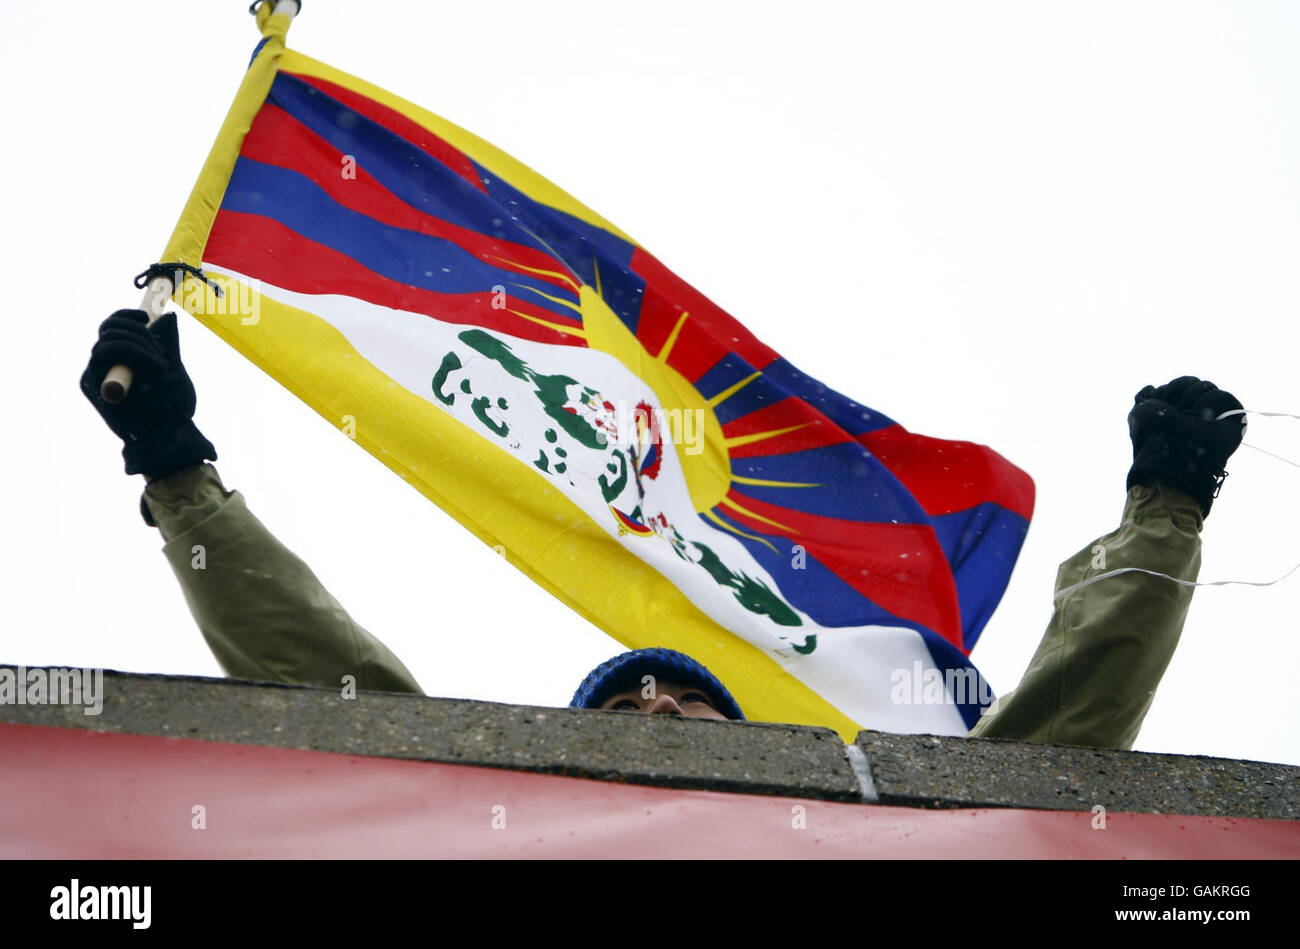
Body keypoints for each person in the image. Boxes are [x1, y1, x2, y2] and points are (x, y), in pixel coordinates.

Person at [80, 309, 1245, 748]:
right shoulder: (483, 825)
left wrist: (1165, 509)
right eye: (628, 702)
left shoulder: (864, 835)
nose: (654, 709)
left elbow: (1052, 746)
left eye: (682, 698)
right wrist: (175, 468)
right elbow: (327, 681)